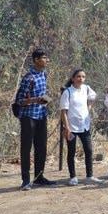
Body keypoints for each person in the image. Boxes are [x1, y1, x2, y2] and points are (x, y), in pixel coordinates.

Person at [15, 48, 54, 190]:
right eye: (44, 58)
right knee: (26, 148)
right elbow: (19, 100)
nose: (46, 60)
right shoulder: (28, 78)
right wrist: (35, 100)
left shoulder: (44, 75)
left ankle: (39, 177)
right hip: (28, 116)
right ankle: (26, 180)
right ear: (36, 60)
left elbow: (43, 92)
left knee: (41, 147)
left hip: (41, 115)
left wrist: (45, 100)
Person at [59, 68, 100, 185]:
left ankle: (89, 176)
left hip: (84, 126)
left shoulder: (86, 89)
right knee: (71, 152)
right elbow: (63, 112)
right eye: (78, 76)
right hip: (71, 127)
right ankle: (73, 177)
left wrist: (89, 107)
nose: (81, 79)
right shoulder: (68, 92)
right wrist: (67, 128)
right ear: (73, 78)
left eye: (83, 77)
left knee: (89, 150)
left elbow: (93, 97)